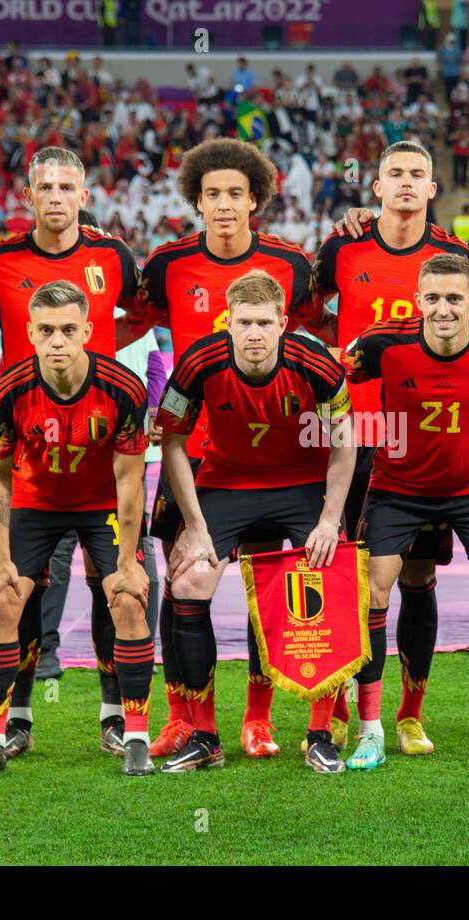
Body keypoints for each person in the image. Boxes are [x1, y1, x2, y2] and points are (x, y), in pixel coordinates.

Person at [129, 137, 316, 761]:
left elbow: (322, 338)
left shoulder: (291, 266)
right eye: (213, 194)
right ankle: (186, 718)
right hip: (192, 459)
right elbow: (120, 320)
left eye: (236, 193)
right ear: (197, 200)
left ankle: (258, 719)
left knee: (265, 593)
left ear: (255, 199)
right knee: (186, 579)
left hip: (268, 459)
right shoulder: (167, 265)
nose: (225, 205)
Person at [312, 141, 469, 759]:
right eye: (396, 175)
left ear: (433, 187)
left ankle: (410, 714)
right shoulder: (341, 247)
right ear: (378, 187)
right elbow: (310, 318)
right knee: (346, 578)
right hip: (351, 440)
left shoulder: (456, 258)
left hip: (423, 445)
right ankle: (337, 707)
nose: (407, 184)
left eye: (419, 174)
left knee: (416, 578)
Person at [0, 147, 145, 759]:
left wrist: (95, 362)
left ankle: (116, 720)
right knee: (22, 592)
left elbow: (146, 312)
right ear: (30, 195)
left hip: (101, 444)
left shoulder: (113, 255)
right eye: (46, 185)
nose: (57, 195)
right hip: (29, 448)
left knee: (115, 586)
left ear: (84, 195)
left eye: (69, 185)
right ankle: (13, 722)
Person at [342, 252, 469, 771]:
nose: (444, 308)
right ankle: (370, 730)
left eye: (455, 298)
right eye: (433, 298)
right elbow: (328, 382)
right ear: (418, 300)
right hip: (397, 488)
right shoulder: (382, 343)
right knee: (373, 594)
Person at [155, 271, 355, 774]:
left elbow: (345, 439)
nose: (254, 335)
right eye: (244, 323)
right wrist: (196, 528)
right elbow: (173, 443)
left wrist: (330, 520)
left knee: (326, 581)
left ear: (284, 322)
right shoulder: (200, 362)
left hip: (300, 484)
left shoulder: (316, 365)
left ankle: (319, 734)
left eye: (265, 323)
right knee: (190, 583)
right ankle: (205, 737)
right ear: (228, 323)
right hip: (228, 483)